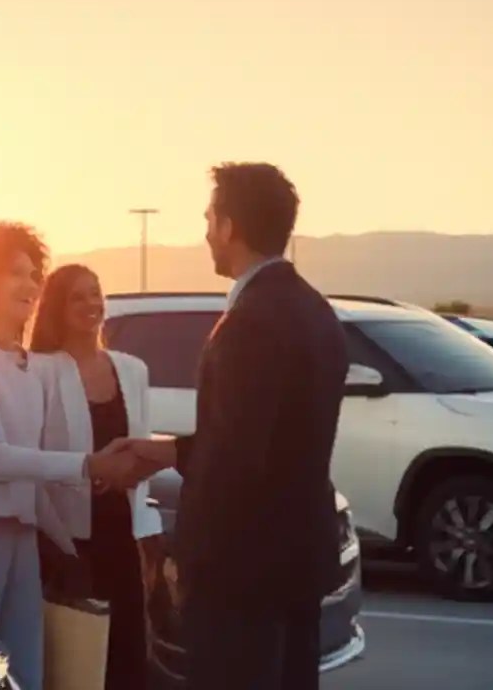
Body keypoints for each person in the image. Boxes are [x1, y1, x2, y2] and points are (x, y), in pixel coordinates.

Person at [121, 163, 348, 690]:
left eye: (209, 217)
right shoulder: (316, 310)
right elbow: (267, 439)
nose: (204, 233)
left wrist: (186, 557)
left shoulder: (250, 321)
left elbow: (236, 461)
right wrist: (162, 451)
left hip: (243, 570)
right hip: (297, 557)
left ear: (228, 226)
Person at [0, 223, 143, 690]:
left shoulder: (23, 362)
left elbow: (31, 473)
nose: (30, 284)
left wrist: (65, 548)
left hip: (19, 533)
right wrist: (89, 464)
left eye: (34, 273)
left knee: (25, 673)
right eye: (14, 273)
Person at [30, 264, 163, 690]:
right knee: (78, 663)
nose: (91, 304)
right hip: (65, 541)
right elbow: (34, 460)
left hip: (122, 533)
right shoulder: (40, 371)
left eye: (96, 292)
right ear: (57, 308)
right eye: (77, 297)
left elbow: (141, 448)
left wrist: (145, 530)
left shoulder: (133, 369)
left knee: (127, 655)